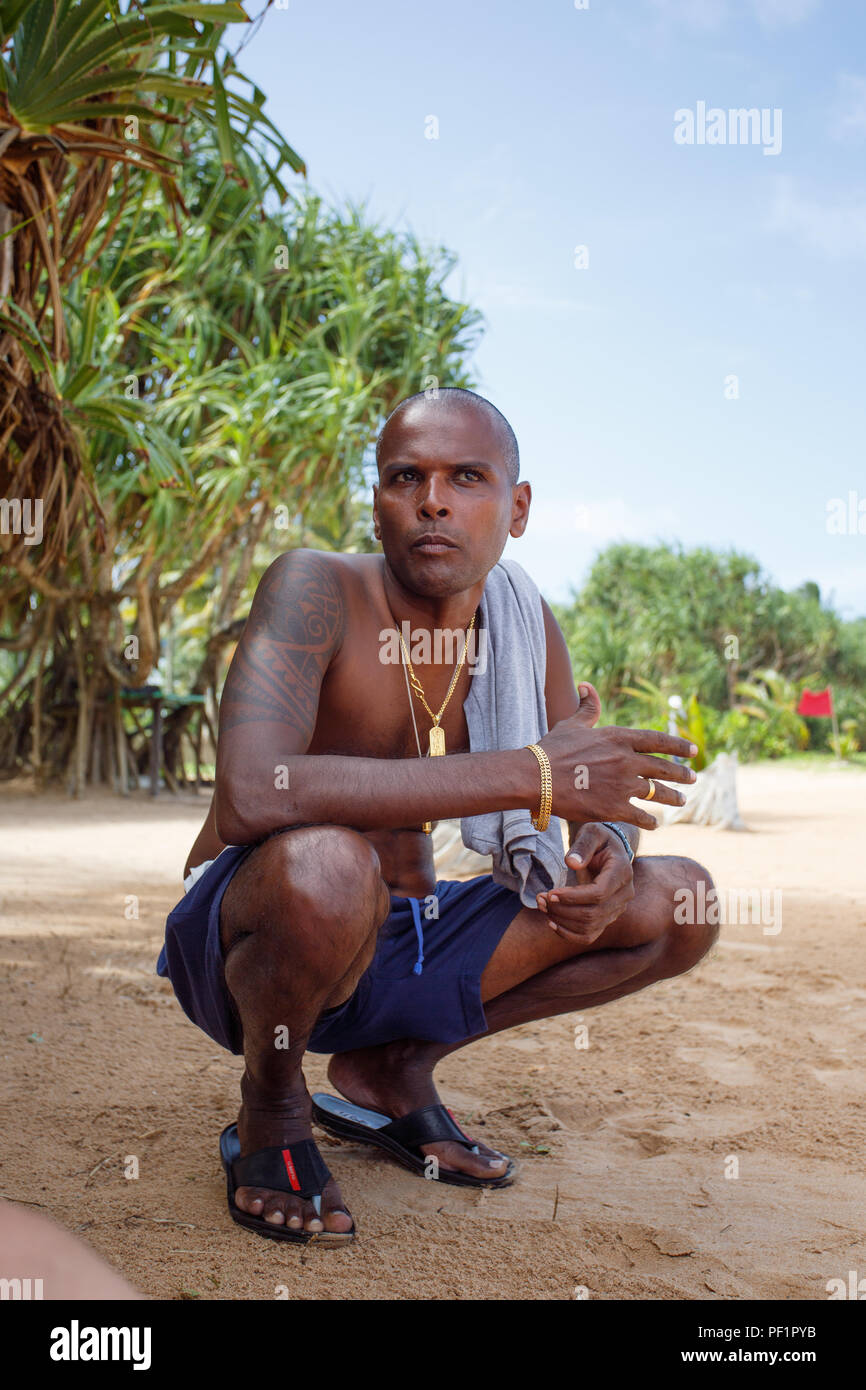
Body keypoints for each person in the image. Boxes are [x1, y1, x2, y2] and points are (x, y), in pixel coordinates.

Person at [157, 387, 717, 1245]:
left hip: (407, 942)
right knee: (330, 866)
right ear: (376, 502)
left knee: (681, 902)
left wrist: (605, 850)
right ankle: (272, 1106)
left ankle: (393, 1065)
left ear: (517, 507)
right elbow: (251, 792)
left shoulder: (526, 624)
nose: (433, 500)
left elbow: (580, 789)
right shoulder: (317, 589)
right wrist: (530, 771)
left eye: (467, 477)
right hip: (261, 940)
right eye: (404, 477)